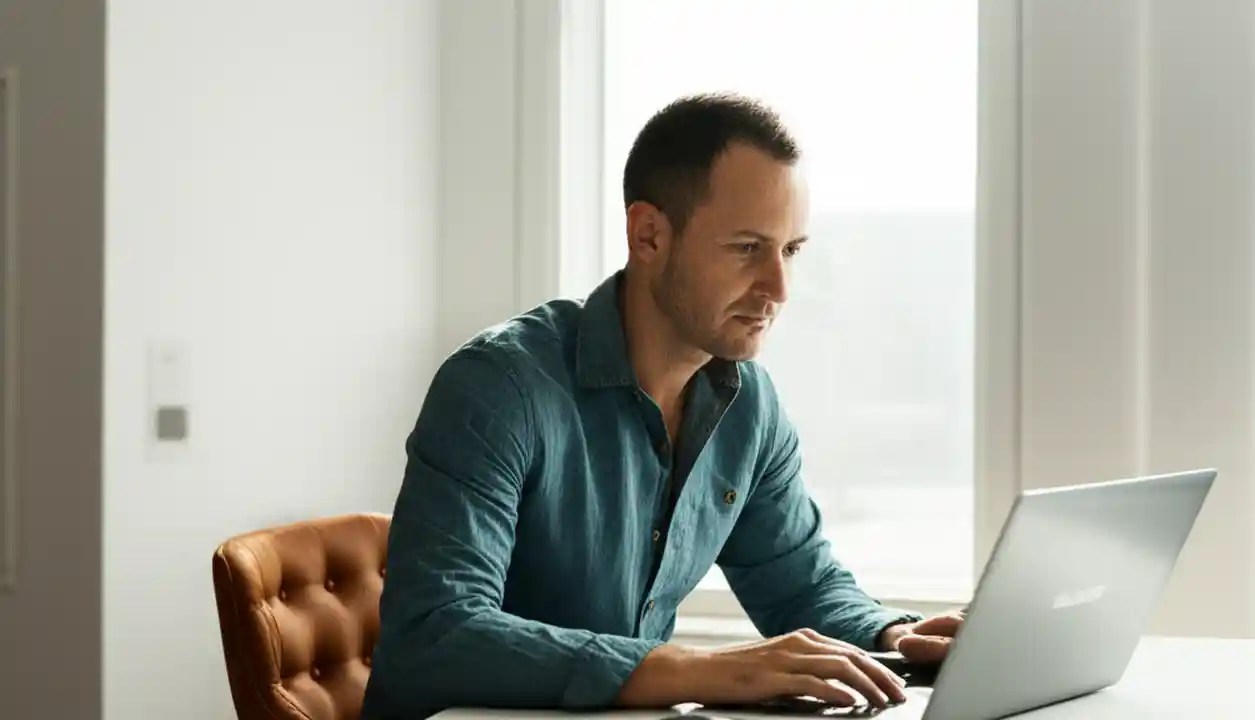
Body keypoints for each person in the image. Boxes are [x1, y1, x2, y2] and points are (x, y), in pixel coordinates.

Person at [361, 93, 966, 720]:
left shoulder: (748, 405)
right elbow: (436, 634)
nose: (779, 290)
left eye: (789, 250)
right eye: (746, 248)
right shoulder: (497, 386)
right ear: (648, 234)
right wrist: (700, 671)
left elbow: (802, 583)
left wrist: (895, 637)